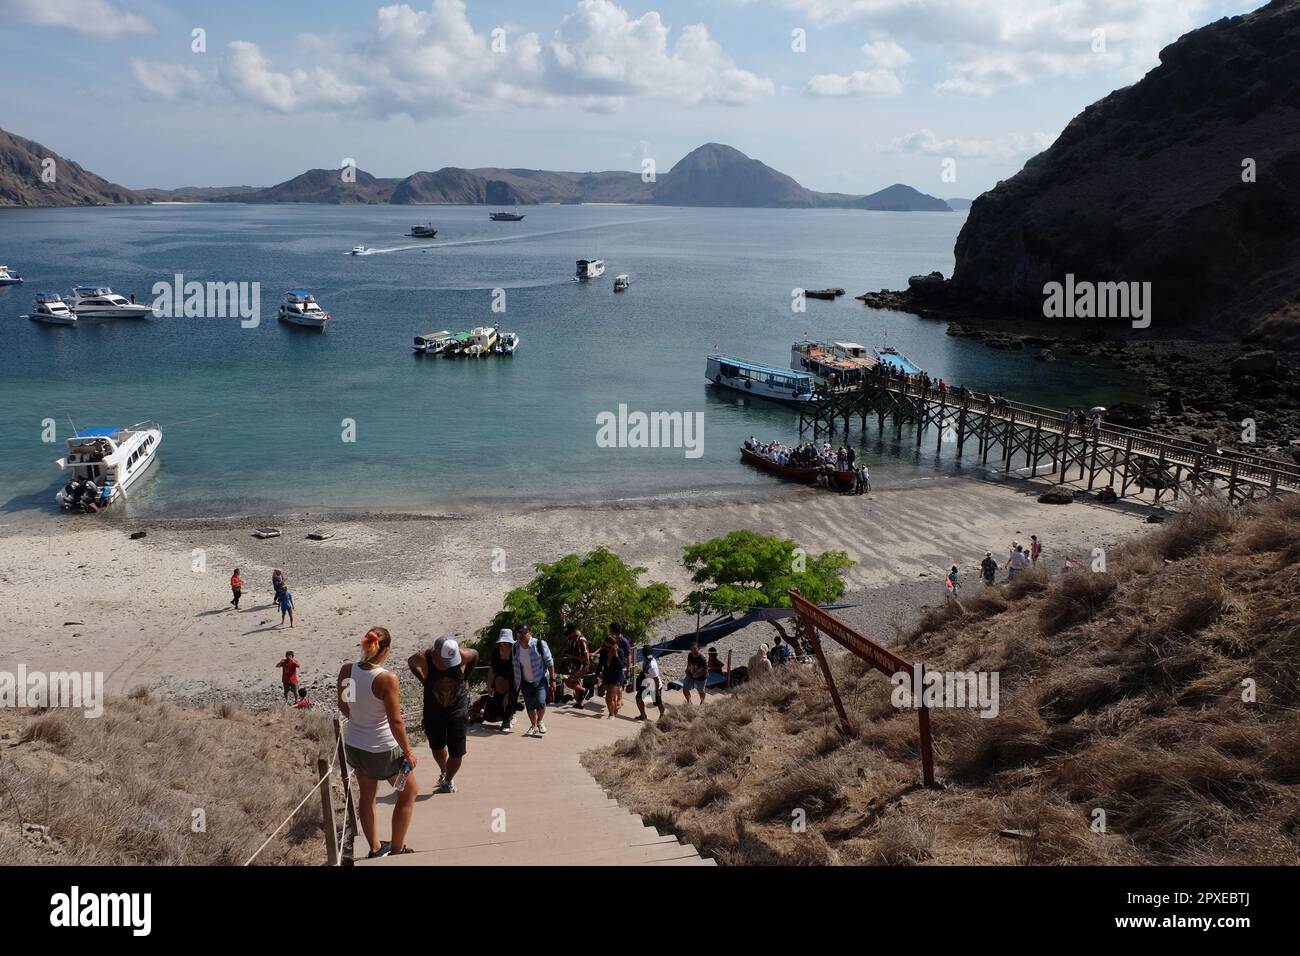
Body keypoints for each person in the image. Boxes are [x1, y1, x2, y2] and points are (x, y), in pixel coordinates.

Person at [338, 627, 418, 858]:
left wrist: (362, 716)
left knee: (367, 794)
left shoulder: (347, 670)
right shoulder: (387, 678)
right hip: (383, 750)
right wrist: (408, 751)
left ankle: (374, 847)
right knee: (408, 793)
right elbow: (396, 721)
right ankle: (396, 848)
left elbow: (345, 706)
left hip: (354, 745)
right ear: (386, 650)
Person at [407, 635, 479, 793]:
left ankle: (448, 779)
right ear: (435, 652)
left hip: (458, 708)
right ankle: (443, 770)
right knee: (437, 745)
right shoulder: (423, 658)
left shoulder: (463, 655)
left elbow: (475, 655)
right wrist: (422, 679)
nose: (448, 665)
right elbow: (411, 662)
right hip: (433, 710)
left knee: (457, 750)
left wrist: (466, 676)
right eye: (445, 660)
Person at [512, 624, 556, 736]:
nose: (521, 635)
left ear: (530, 633)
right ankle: (533, 725)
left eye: (524, 633)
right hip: (525, 680)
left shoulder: (539, 644)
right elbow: (515, 665)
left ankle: (540, 721)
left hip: (540, 678)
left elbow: (550, 662)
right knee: (530, 705)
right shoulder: (515, 647)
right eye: (519, 633)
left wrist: (553, 680)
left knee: (541, 702)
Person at [487, 629, 518, 732]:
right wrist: (489, 685)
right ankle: (508, 717)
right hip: (499, 681)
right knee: (492, 712)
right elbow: (492, 669)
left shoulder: (515, 650)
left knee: (509, 699)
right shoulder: (496, 652)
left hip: (513, 678)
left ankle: (506, 722)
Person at [565, 625, 592, 708]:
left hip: (582, 666)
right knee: (576, 683)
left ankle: (585, 691)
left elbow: (586, 658)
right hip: (574, 665)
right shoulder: (571, 639)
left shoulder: (582, 640)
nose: (569, 636)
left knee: (569, 682)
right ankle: (579, 703)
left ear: (575, 631)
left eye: (570, 634)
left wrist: (572, 656)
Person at [635, 646, 664, 721]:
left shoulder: (652, 666)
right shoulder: (646, 659)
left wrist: (657, 691)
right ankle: (643, 715)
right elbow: (644, 672)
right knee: (638, 698)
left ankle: (662, 715)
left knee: (657, 703)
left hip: (655, 685)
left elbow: (656, 679)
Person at [599, 640, 624, 719]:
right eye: (606, 647)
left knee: (608, 698)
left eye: (609, 647)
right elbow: (600, 663)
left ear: (615, 646)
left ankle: (611, 714)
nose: (607, 649)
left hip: (616, 677)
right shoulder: (603, 652)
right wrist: (597, 673)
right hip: (607, 676)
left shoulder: (620, 652)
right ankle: (614, 712)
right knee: (612, 697)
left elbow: (620, 666)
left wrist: (615, 655)